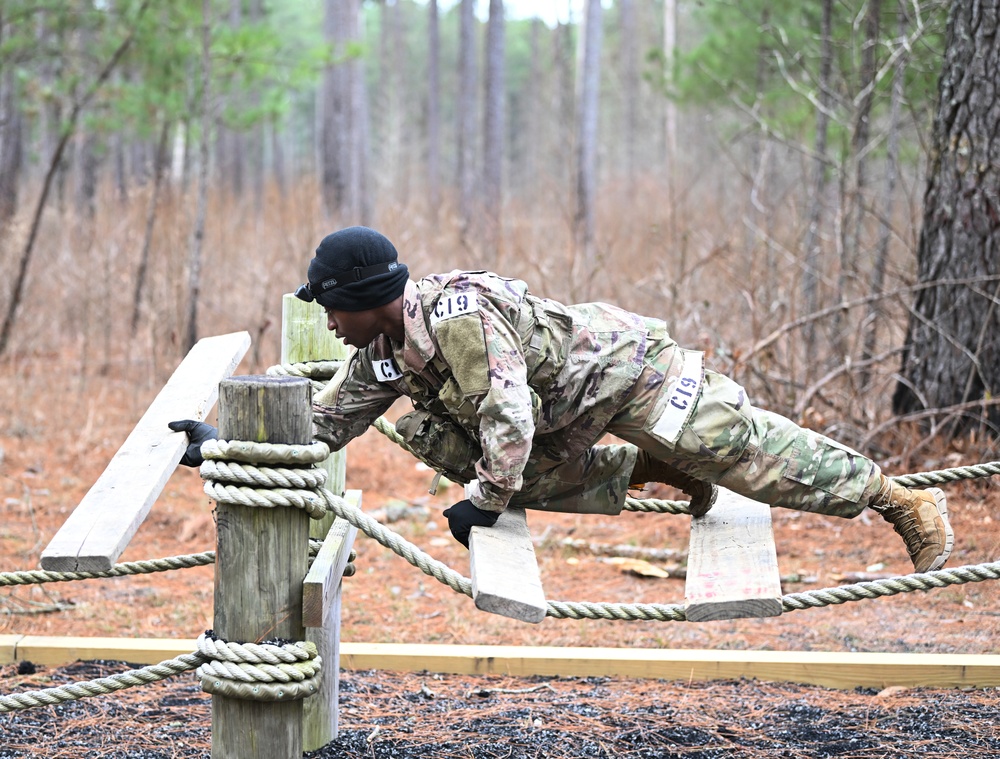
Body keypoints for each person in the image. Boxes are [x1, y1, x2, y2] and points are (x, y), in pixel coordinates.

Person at [171, 226, 954, 573]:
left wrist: (481, 500)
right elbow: (321, 425)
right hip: (567, 417)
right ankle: (656, 471)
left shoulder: (458, 318)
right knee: (472, 456)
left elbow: (508, 415)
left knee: (747, 456)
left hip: (626, 374)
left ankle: (898, 501)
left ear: (367, 298)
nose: (328, 324)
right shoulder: (382, 351)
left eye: (331, 308)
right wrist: (225, 444)